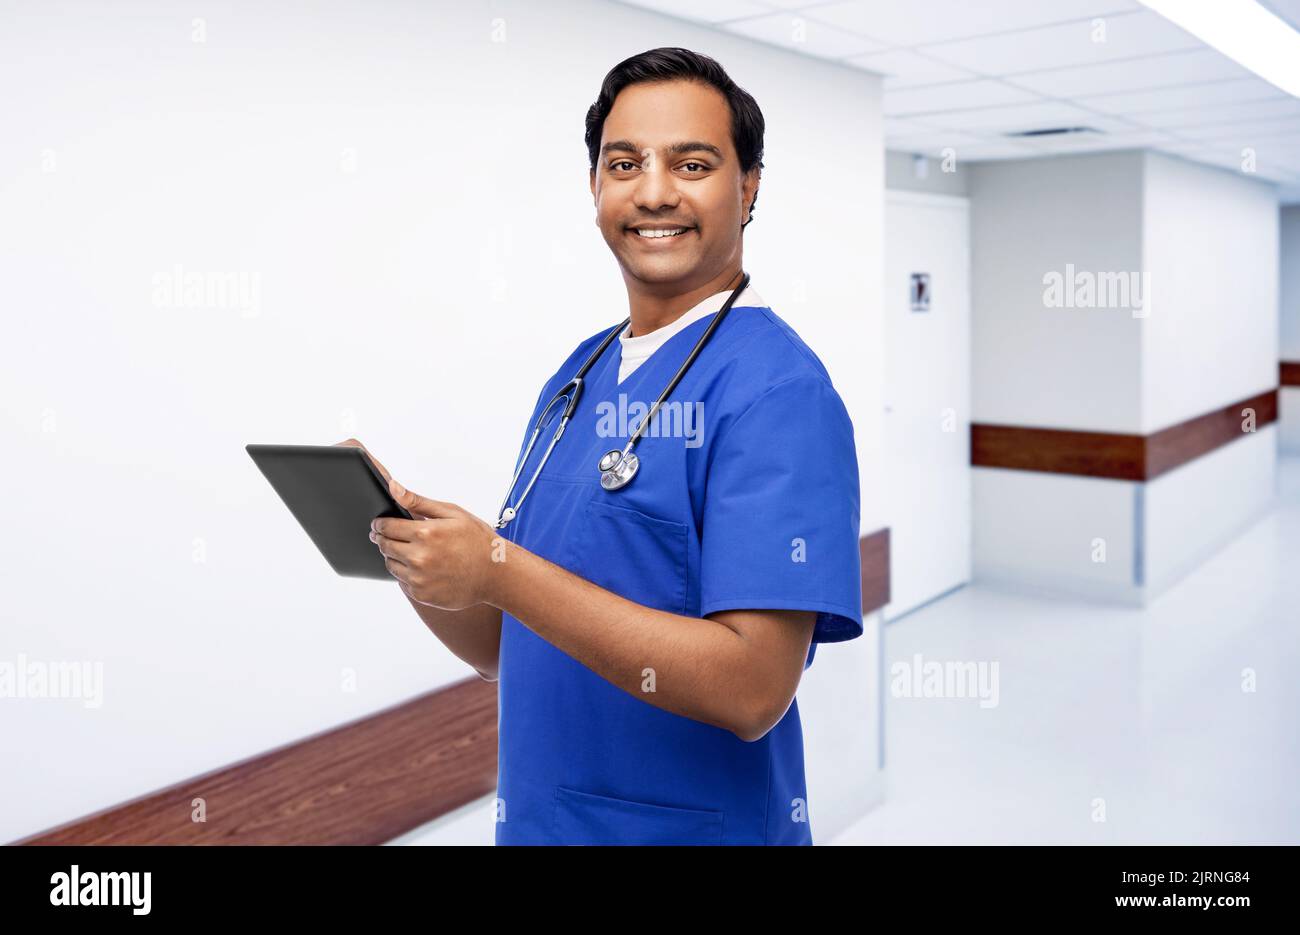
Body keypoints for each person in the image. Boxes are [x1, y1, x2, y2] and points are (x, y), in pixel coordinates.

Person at [350, 47, 862, 846]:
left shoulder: (779, 393)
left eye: (692, 164)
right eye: (625, 164)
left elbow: (754, 689)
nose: (653, 192)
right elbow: (504, 644)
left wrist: (498, 568)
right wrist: (418, 555)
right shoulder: (577, 375)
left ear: (749, 188)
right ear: (595, 187)